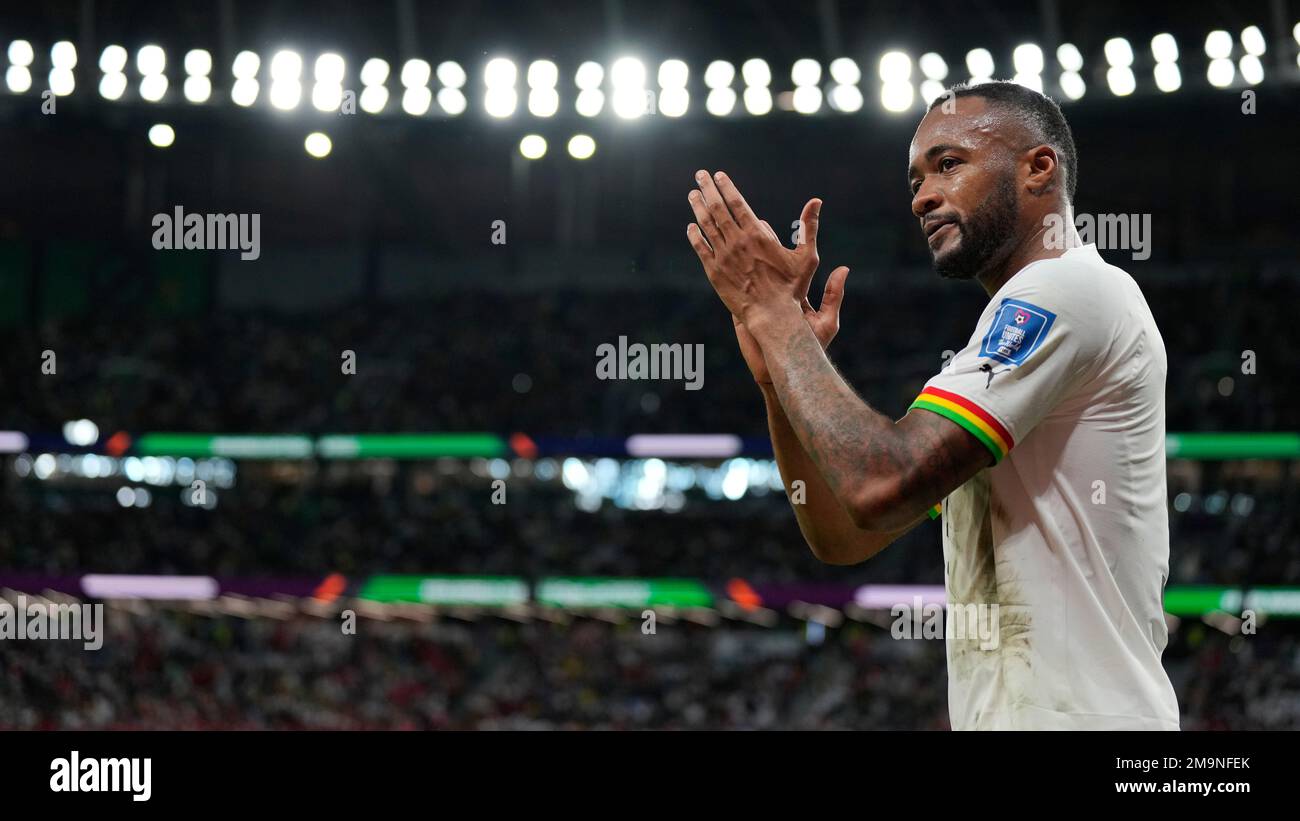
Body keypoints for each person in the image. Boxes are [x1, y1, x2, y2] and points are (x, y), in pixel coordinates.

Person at [685, 81, 1179, 730]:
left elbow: (877, 483)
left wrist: (774, 315)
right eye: (915, 178)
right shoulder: (1009, 348)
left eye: (949, 164)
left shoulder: (1068, 288)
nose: (921, 196)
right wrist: (781, 374)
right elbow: (844, 533)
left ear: (1038, 169)